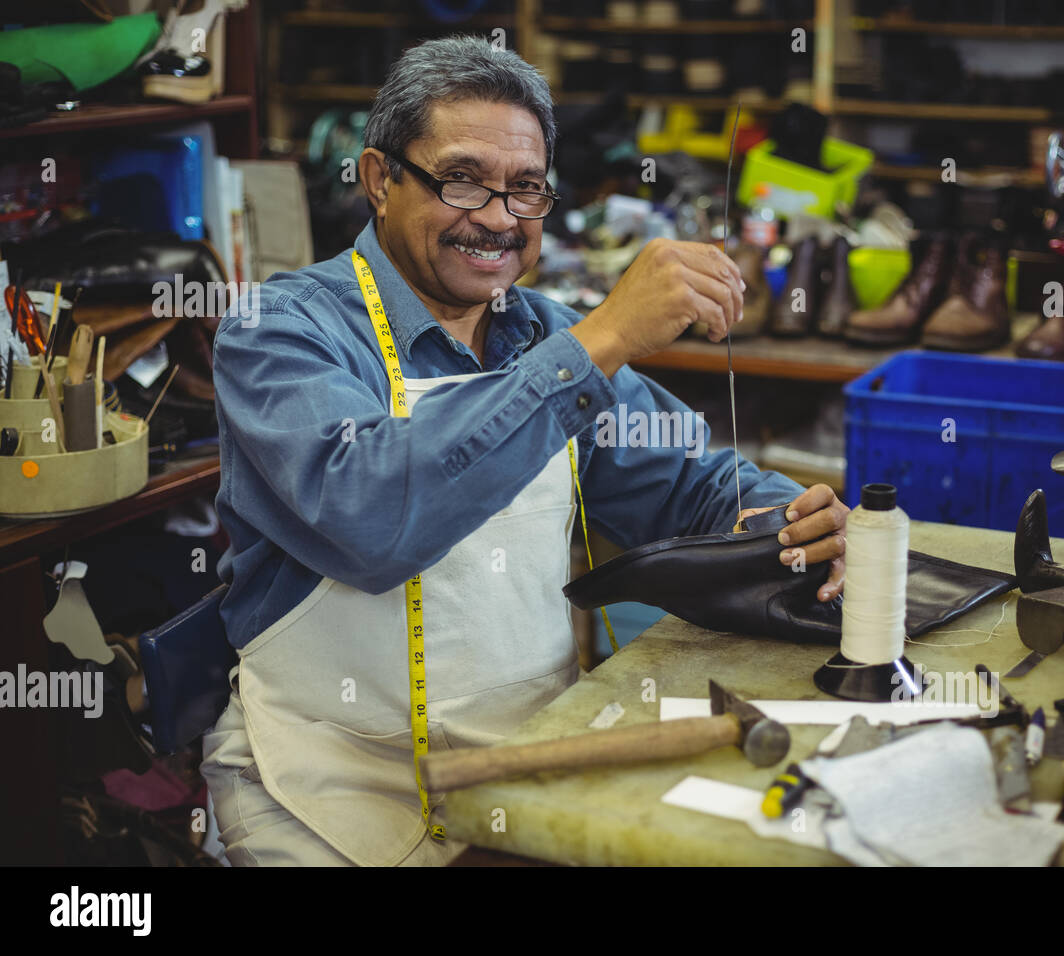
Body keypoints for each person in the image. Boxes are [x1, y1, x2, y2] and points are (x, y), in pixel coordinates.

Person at [200, 35, 848, 866]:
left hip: (533, 756)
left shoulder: (539, 331)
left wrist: (790, 515)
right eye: (462, 181)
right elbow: (366, 515)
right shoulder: (282, 330)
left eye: (527, 189)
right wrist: (603, 337)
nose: (500, 219)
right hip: (326, 784)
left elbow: (689, 485)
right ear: (377, 180)